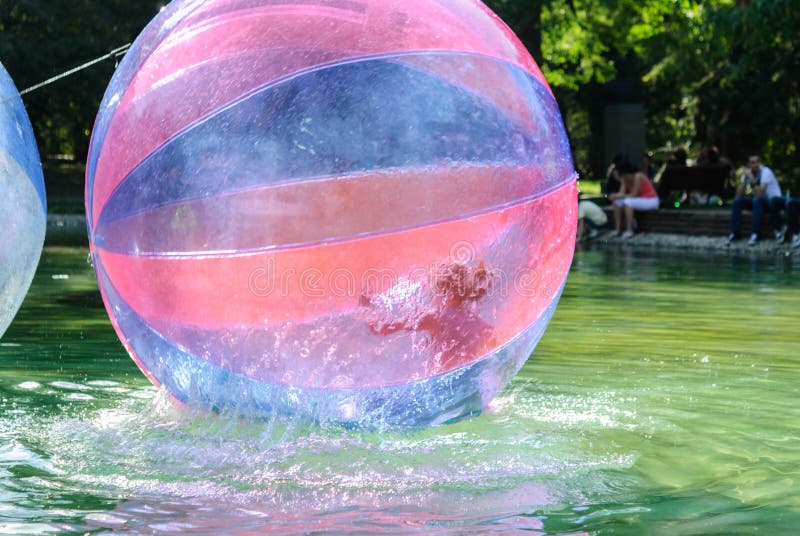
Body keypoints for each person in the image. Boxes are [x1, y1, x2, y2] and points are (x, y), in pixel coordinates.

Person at [727, 154, 781, 245]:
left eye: (757, 162)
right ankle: (735, 233)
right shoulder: (748, 173)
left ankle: (755, 233)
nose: (756, 164)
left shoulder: (766, 172)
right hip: (759, 203)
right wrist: (744, 179)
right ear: (748, 164)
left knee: (757, 200)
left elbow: (760, 193)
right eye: (753, 162)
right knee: (737, 201)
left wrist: (752, 178)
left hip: (773, 203)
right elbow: (738, 194)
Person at [609, 160, 659, 238]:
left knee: (628, 202)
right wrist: (614, 196)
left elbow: (634, 194)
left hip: (651, 200)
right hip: (638, 200)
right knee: (616, 202)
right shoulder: (624, 179)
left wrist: (617, 196)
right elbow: (621, 193)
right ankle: (617, 229)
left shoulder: (638, 176)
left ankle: (629, 230)